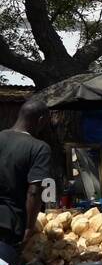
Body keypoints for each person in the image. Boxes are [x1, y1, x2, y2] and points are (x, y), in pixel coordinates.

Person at [0, 99, 51, 248]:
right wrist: (29, 227)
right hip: (9, 224)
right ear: (41, 120)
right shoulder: (39, 148)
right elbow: (34, 192)